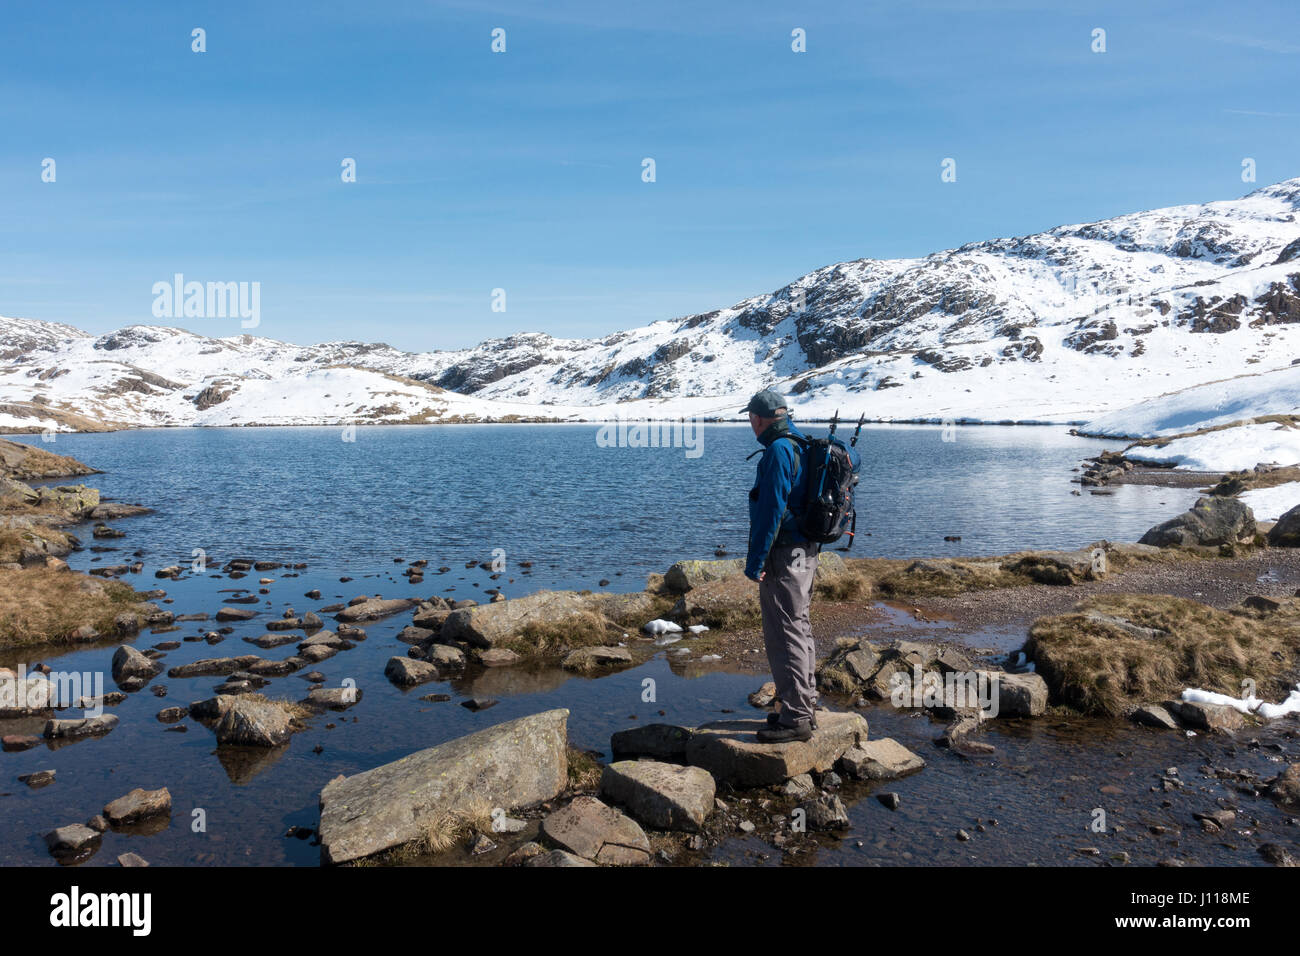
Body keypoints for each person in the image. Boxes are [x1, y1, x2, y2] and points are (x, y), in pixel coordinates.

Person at [742, 388, 820, 743]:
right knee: (798, 626)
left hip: (784, 554)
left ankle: (796, 719)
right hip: (806, 550)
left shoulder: (777, 450)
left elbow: (770, 511)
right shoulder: (801, 442)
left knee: (784, 632)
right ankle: (804, 706)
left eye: (750, 418)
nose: (750, 424)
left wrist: (756, 561)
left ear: (758, 419)